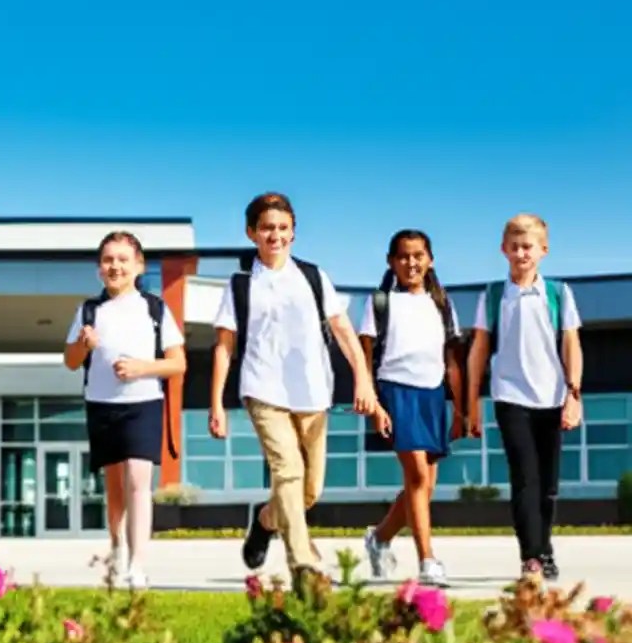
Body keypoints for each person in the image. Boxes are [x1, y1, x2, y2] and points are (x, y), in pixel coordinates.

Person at [210, 192, 377, 582]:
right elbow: (224, 346)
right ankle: (304, 563)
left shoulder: (314, 277)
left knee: (309, 489)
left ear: (293, 234)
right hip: (263, 389)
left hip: (314, 393)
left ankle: (266, 521)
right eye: (267, 228)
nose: (276, 235)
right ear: (252, 232)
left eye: (283, 228)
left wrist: (363, 378)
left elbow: (343, 330)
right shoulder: (239, 286)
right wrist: (216, 402)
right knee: (288, 472)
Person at [64, 230, 186, 589]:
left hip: (144, 404)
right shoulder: (89, 311)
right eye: (108, 260)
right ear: (99, 269)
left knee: (138, 481)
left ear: (138, 266)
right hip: (101, 405)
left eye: (122, 259)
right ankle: (116, 545)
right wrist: (84, 345)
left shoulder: (155, 309)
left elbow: (177, 363)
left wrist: (141, 368)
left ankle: (137, 565)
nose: (115, 266)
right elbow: (71, 362)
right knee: (115, 488)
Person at [467, 213, 583, 582]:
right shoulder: (494, 295)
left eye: (528, 247)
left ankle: (544, 548)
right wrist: (471, 400)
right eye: (514, 247)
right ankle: (530, 557)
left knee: (548, 485)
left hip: (551, 397)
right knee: (525, 479)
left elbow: (571, 343)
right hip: (510, 396)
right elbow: (479, 350)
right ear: (504, 250)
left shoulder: (558, 293)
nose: (521, 253)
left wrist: (574, 394)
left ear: (543, 251)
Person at [359, 229, 465, 587]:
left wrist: (462, 409)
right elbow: (365, 358)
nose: (411, 262)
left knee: (426, 485)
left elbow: (451, 362)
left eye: (418, 255)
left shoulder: (442, 304)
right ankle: (428, 560)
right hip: (396, 392)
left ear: (430, 260)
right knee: (417, 476)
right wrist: (374, 405)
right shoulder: (380, 303)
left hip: (432, 395)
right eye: (403, 256)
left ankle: (380, 537)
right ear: (391, 261)